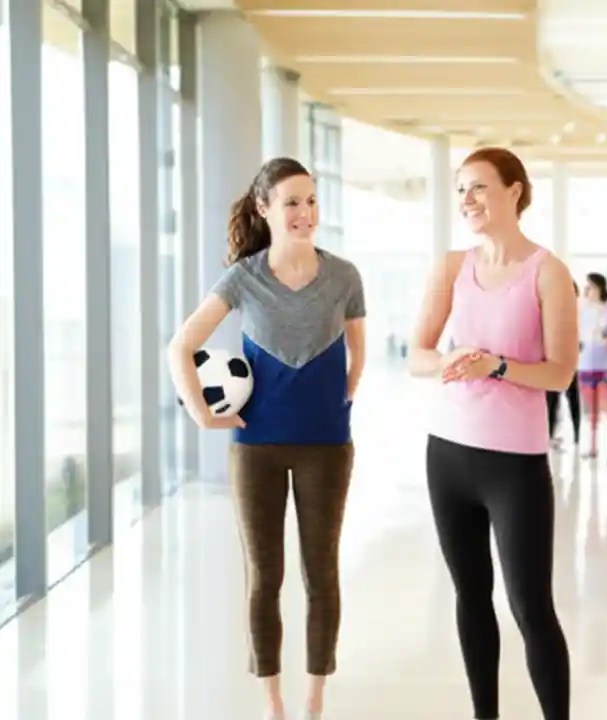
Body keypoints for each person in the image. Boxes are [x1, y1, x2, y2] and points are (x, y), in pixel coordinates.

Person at [166, 158, 365, 720]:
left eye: (311, 200)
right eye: (291, 203)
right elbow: (181, 345)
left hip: (328, 446)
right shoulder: (243, 277)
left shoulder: (345, 275)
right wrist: (203, 414)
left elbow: (358, 348)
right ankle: (272, 703)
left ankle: (314, 701)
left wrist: (346, 392)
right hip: (256, 447)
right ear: (264, 209)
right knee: (265, 577)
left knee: (320, 573)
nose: (304, 213)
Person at [408, 147, 577, 720]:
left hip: (515, 465)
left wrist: (497, 366)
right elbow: (417, 354)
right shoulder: (452, 267)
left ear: (514, 191)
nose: (468, 200)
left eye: (479, 187)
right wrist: (449, 359)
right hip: (448, 456)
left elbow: (561, 372)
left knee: (531, 607)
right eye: (460, 190)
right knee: (471, 598)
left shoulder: (548, 272)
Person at [578, 272, 607, 462]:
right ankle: (593, 446)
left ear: (599, 289)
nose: (587, 290)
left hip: (605, 367)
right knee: (591, 409)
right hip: (586, 365)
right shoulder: (582, 312)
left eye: (591, 286)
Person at [547, 282, 582, 451]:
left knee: (572, 398)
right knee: (552, 401)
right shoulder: (554, 311)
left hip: (568, 362)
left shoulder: (575, 313)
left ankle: (577, 436)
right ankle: (550, 436)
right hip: (553, 362)